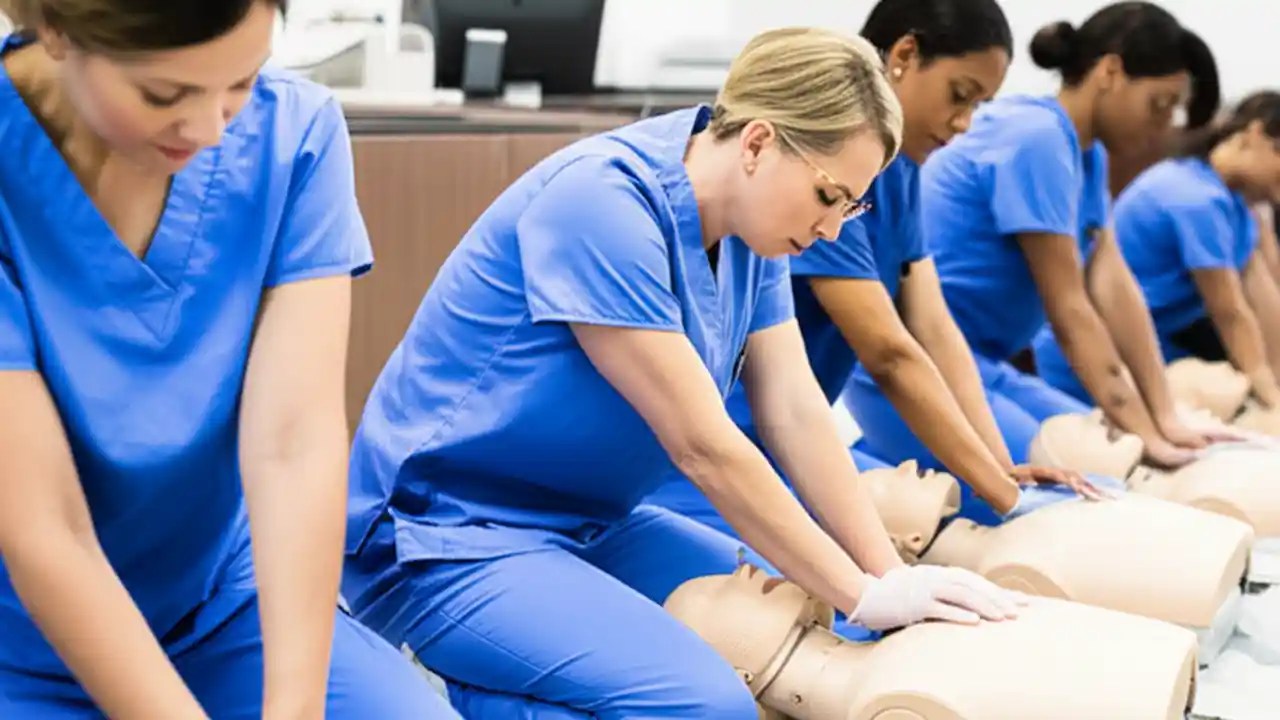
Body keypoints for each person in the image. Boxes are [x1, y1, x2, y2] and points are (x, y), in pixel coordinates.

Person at [343, 27, 1022, 719]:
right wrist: (867, 590)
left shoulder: (751, 232)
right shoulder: (601, 203)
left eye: (851, 205)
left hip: (589, 522)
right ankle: (450, 679)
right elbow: (703, 445)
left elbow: (795, 410)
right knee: (705, 704)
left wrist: (885, 577)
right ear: (758, 143)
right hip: (445, 538)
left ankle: (503, 675)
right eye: (828, 196)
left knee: (810, 619)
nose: (833, 230)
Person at [0, 1, 456, 717]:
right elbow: (45, 528)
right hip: (20, 640)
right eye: (164, 95)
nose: (213, 129)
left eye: (241, 81)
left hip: (219, 610)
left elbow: (293, 444)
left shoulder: (293, 131)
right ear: (54, 28)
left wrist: (295, 708)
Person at [648, 0, 1102, 540]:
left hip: (794, 439)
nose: (963, 124)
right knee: (900, 561)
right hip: (740, 447)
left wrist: (999, 468)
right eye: (960, 97)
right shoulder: (813, 179)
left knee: (988, 526)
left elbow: (933, 327)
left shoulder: (900, 173)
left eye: (979, 106)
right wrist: (1003, 496)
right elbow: (889, 353)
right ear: (905, 54)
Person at [844, 2, 1231, 523]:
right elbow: (1071, 309)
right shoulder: (1036, 137)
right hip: (922, 372)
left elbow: (1115, 287)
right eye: (1159, 104)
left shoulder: (1086, 155)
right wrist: (1003, 482)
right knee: (1078, 503)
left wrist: (1162, 421)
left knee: (1107, 471)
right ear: (1110, 72)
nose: (1162, 127)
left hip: (980, 365)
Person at [1034, 92, 1280, 407]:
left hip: (1145, 350)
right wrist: (1272, 402)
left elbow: (1264, 301)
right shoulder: (1193, 198)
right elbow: (1230, 313)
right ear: (1256, 134)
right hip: (1089, 355)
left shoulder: (1238, 206)